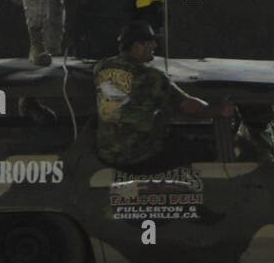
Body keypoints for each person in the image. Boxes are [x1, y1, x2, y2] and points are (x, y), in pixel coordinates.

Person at [93, 21, 235, 172]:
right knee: (203, 150)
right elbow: (189, 107)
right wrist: (220, 110)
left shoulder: (101, 67)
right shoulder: (151, 77)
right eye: (150, 42)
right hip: (138, 157)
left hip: (107, 153)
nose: (154, 46)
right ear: (136, 46)